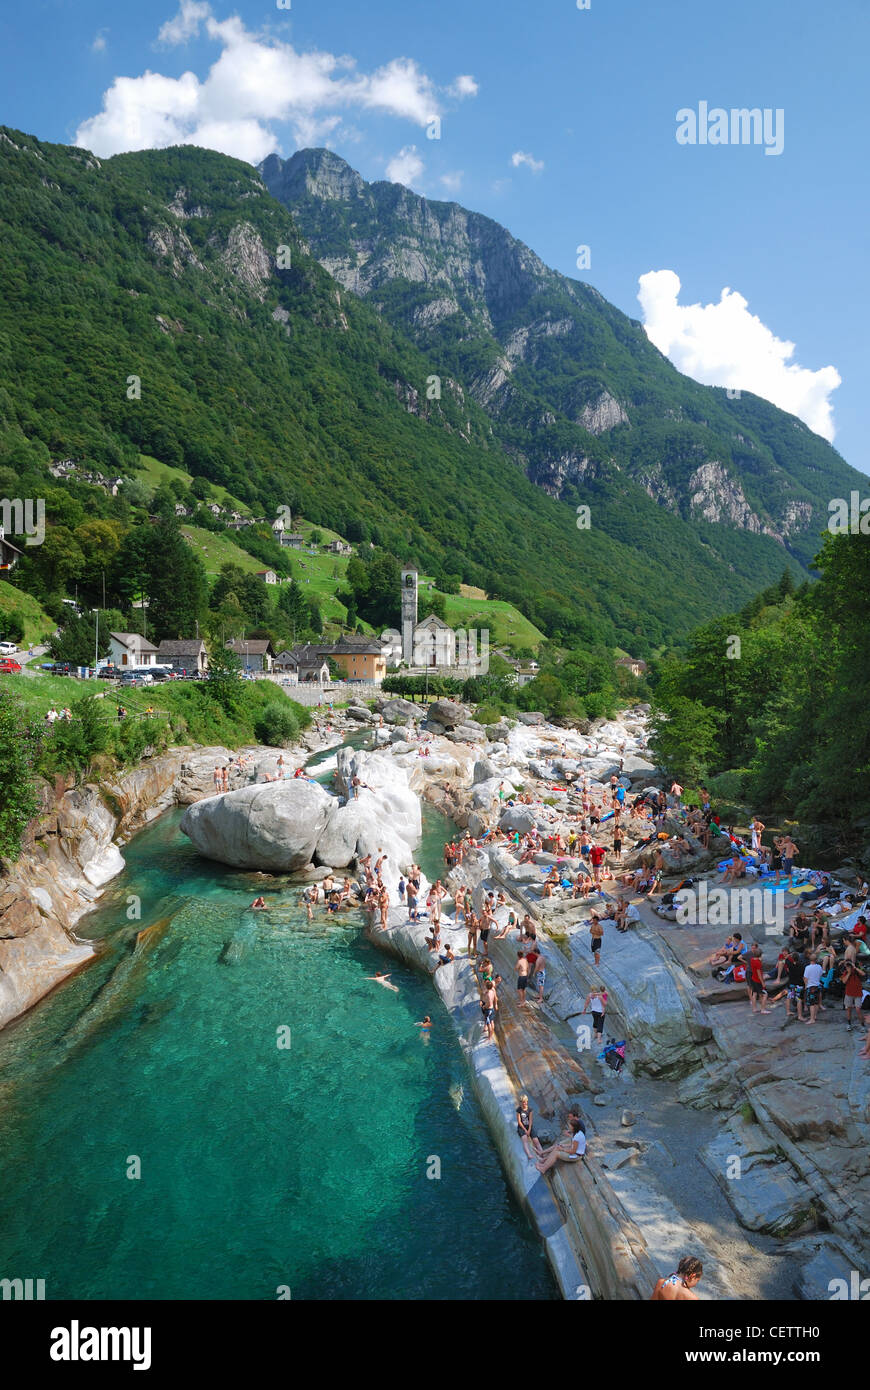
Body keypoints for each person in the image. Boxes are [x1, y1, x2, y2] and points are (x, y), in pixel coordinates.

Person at [516, 1094, 544, 1160]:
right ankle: (529, 1154)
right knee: (525, 1140)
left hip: (529, 1127)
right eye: (523, 1102)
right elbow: (519, 1122)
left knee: (536, 1141)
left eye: (526, 1101)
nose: (525, 1103)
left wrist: (529, 1130)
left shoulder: (530, 1110)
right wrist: (525, 1130)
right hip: (522, 1127)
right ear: (521, 1102)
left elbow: (530, 1121)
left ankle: (542, 1153)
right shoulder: (518, 1110)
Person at [803, 953, 823, 1024]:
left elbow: (805, 978)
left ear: (810, 960)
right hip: (817, 985)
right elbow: (821, 974)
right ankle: (814, 1016)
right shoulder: (819, 967)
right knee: (816, 1002)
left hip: (810, 986)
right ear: (816, 960)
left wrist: (805, 985)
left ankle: (812, 1019)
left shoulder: (807, 968)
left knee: (811, 1003)